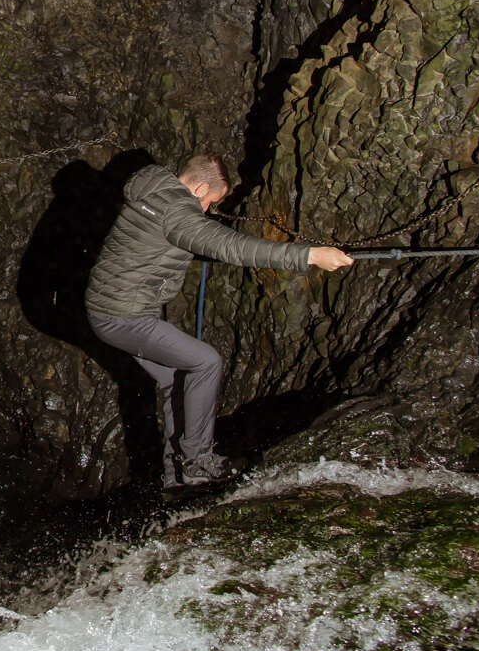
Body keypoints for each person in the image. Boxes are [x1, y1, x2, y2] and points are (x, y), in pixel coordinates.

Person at [84, 154, 351, 489]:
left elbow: (170, 235)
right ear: (200, 187)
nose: (208, 210)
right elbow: (231, 246)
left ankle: (176, 478)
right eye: (210, 202)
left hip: (108, 308)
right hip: (123, 317)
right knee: (206, 362)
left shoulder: (154, 187)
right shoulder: (179, 212)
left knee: (178, 379)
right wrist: (311, 255)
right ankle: (198, 463)